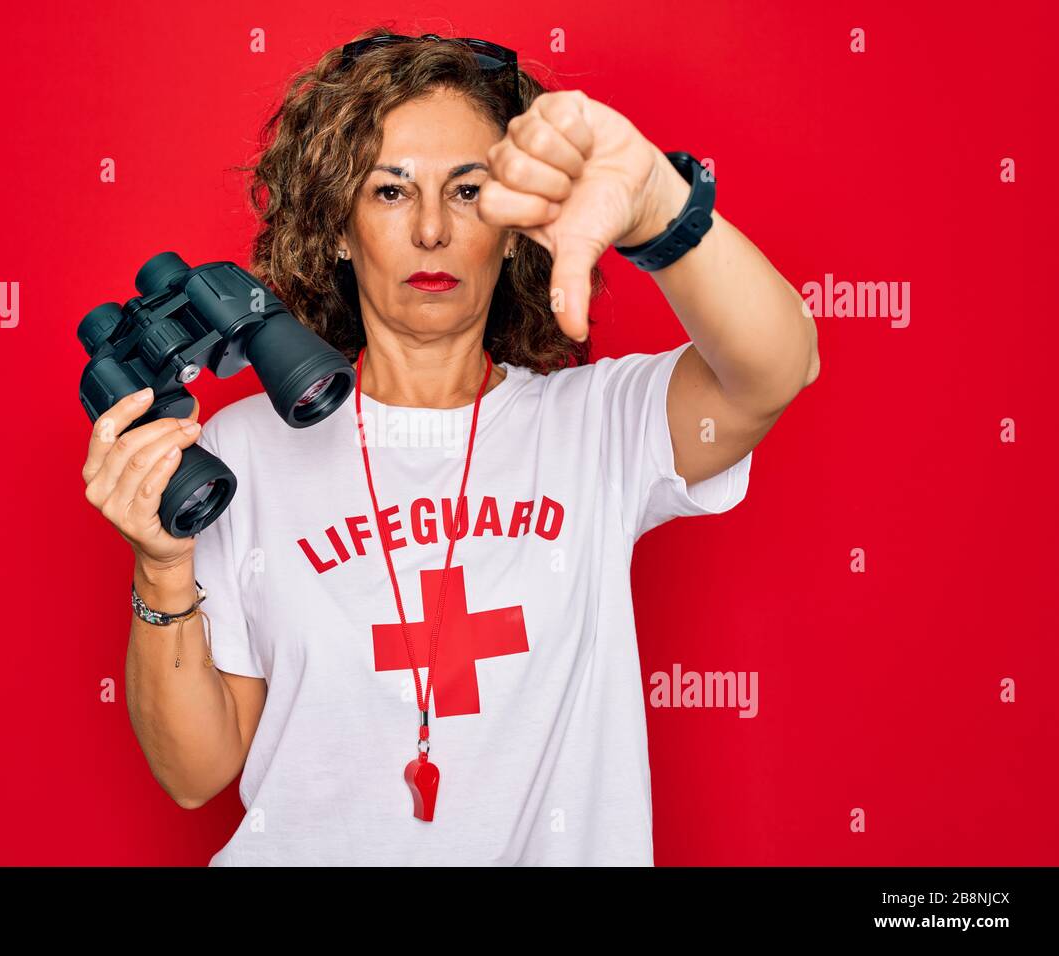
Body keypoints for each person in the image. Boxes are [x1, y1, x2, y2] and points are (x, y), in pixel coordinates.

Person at [81, 29, 819, 866]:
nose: (431, 229)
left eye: (469, 191)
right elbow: (193, 773)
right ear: (338, 229)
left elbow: (777, 367)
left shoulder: (595, 427)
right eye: (390, 193)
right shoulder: (242, 448)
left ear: (514, 231)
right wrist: (161, 567)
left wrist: (659, 204)